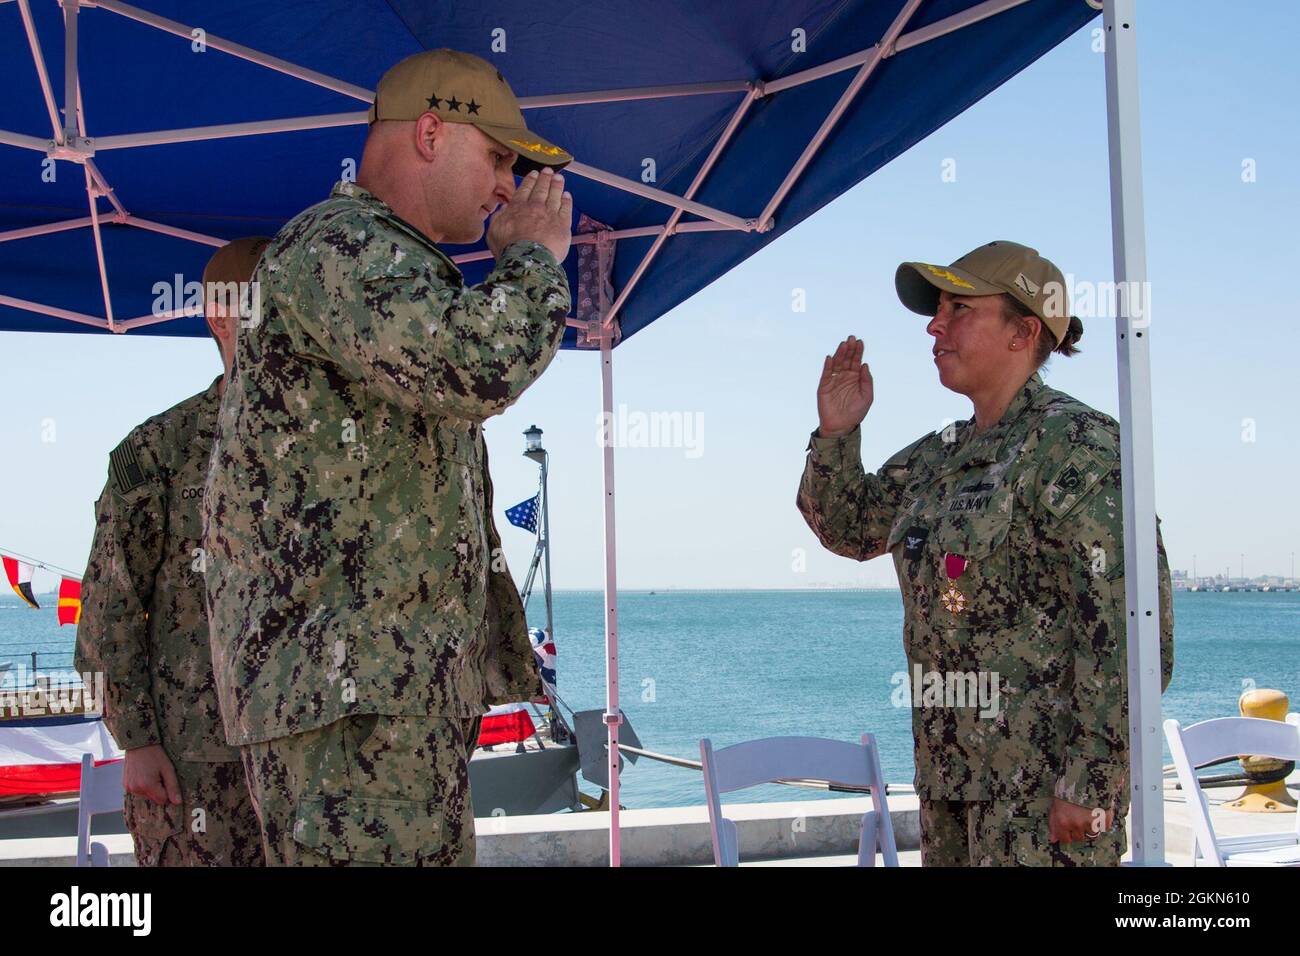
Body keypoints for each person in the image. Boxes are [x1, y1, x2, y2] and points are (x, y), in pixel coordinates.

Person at [202, 48, 573, 866]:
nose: (509, 186)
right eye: (500, 158)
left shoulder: (385, 261)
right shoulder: (341, 245)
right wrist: (534, 258)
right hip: (349, 712)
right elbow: (478, 362)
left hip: (377, 706)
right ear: (433, 132)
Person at [797, 240, 1174, 866]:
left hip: (1043, 805)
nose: (934, 325)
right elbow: (850, 528)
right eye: (937, 309)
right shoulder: (941, 453)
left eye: (959, 308)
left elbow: (1131, 631)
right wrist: (837, 434)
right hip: (951, 786)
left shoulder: (1079, 448)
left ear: (1023, 331)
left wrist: (1090, 784)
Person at [75, 237, 271, 866]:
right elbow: (108, 609)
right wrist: (135, 741)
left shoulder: (327, 449)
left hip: (307, 766)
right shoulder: (161, 450)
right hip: (194, 773)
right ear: (222, 317)